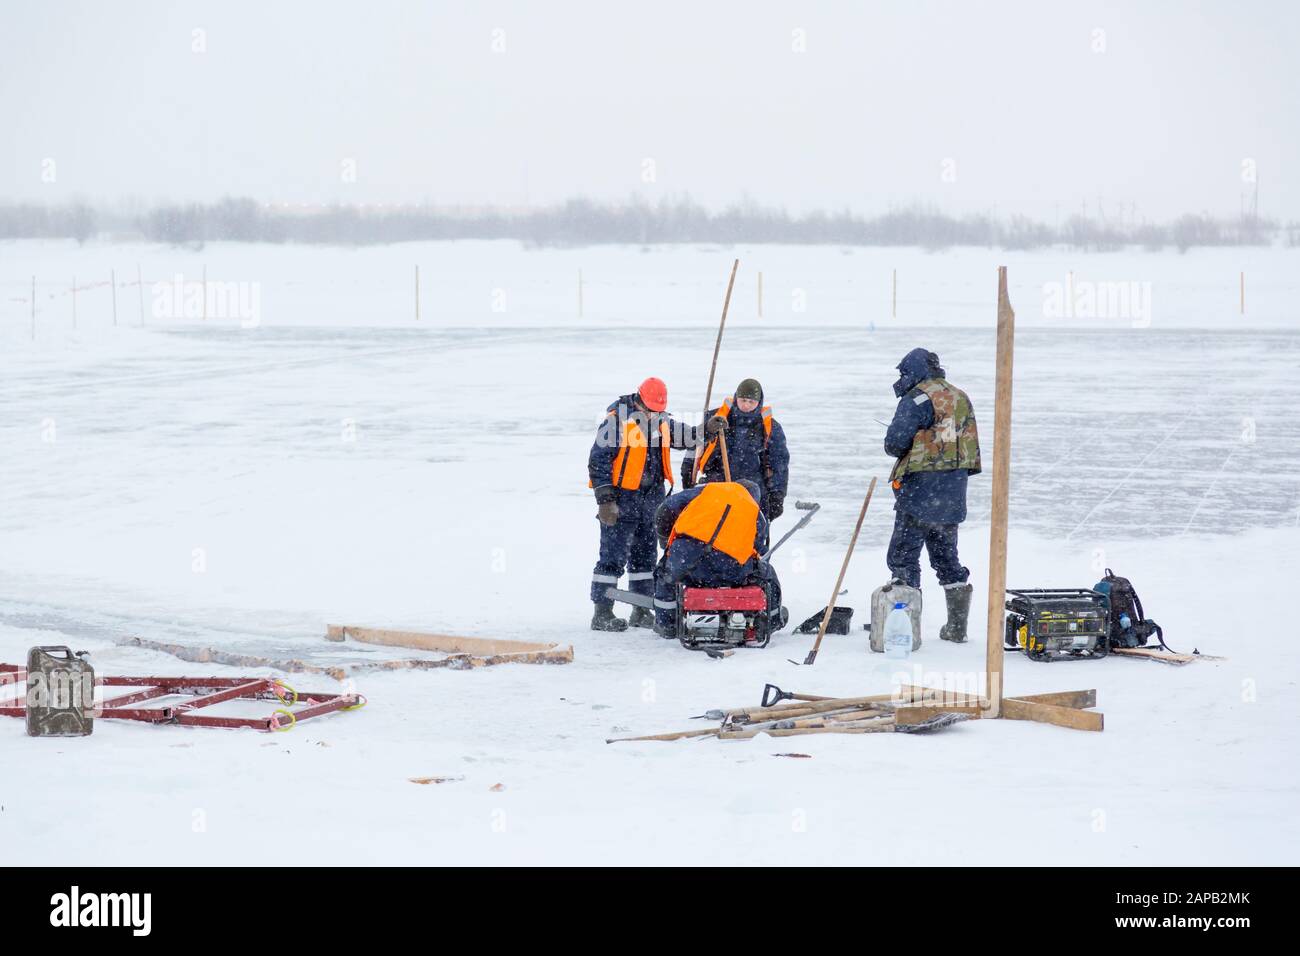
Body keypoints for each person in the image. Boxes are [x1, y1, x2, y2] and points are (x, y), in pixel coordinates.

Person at [587, 377, 717, 631]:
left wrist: (707, 429)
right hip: (621, 502)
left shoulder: (662, 421)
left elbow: (689, 437)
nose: (653, 415)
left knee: (645, 559)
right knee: (611, 558)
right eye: (650, 410)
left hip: (652, 502)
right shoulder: (615, 422)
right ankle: (602, 613)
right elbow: (598, 462)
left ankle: (642, 610)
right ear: (638, 401)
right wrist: (605, 501)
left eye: (658, 411)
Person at [883, 348, 982, 642]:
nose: (901, 380)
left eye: (903, 374)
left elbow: (895, 443)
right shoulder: (959, 395)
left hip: (918, 491)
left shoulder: (917, 398)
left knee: (903, 558)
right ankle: (957, 627)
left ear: (913, 371)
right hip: (952, 491)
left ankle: (905, 631)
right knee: (946, 558)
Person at [651, 479, 785, 638]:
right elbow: (759, 553)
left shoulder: (705, 492)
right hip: (732, 572)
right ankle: (773, 619)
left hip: (689, 568)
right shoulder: (755, 513)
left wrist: (665, 538)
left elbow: (665, 508)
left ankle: (667, 623)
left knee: (665, 574)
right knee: (767, 574)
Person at [680, 378, 789, 521]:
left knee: (748, 533)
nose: (746, 405)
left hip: (752, 491)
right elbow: (695, 446)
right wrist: (687, 473)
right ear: (736, 397)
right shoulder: (716, 418)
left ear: (759, 402)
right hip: (716, 486)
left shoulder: (770, 427)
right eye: (743, 400)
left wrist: (777, 496)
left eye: (751, 402)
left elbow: (779, 463)